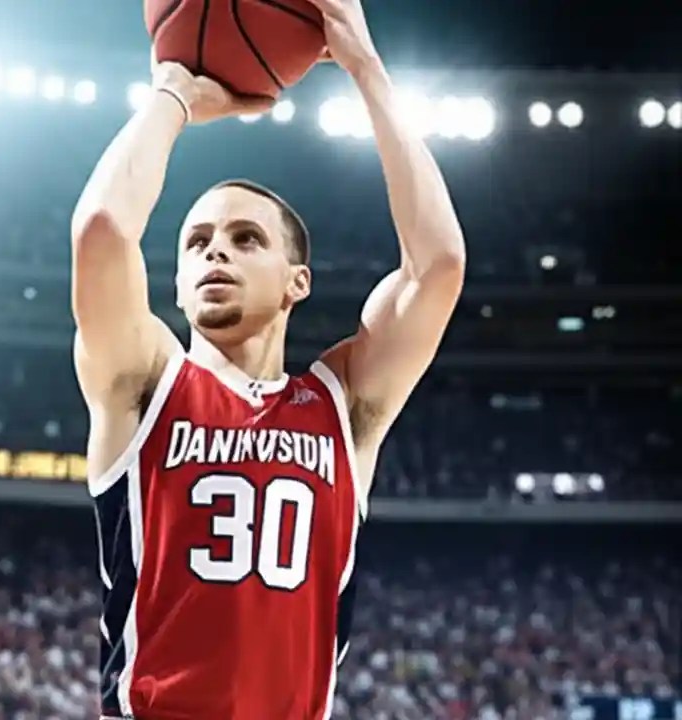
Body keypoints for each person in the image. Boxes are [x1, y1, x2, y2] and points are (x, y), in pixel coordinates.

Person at [70, 1, 466, 718]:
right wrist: (174, 95)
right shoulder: (146, 382)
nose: (215, 250)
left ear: (297, 283)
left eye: (246, 238)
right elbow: (101, 229)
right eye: (196, 242)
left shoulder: (343, 404)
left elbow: (437, 266)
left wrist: (366, 68)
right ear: (179, 281)